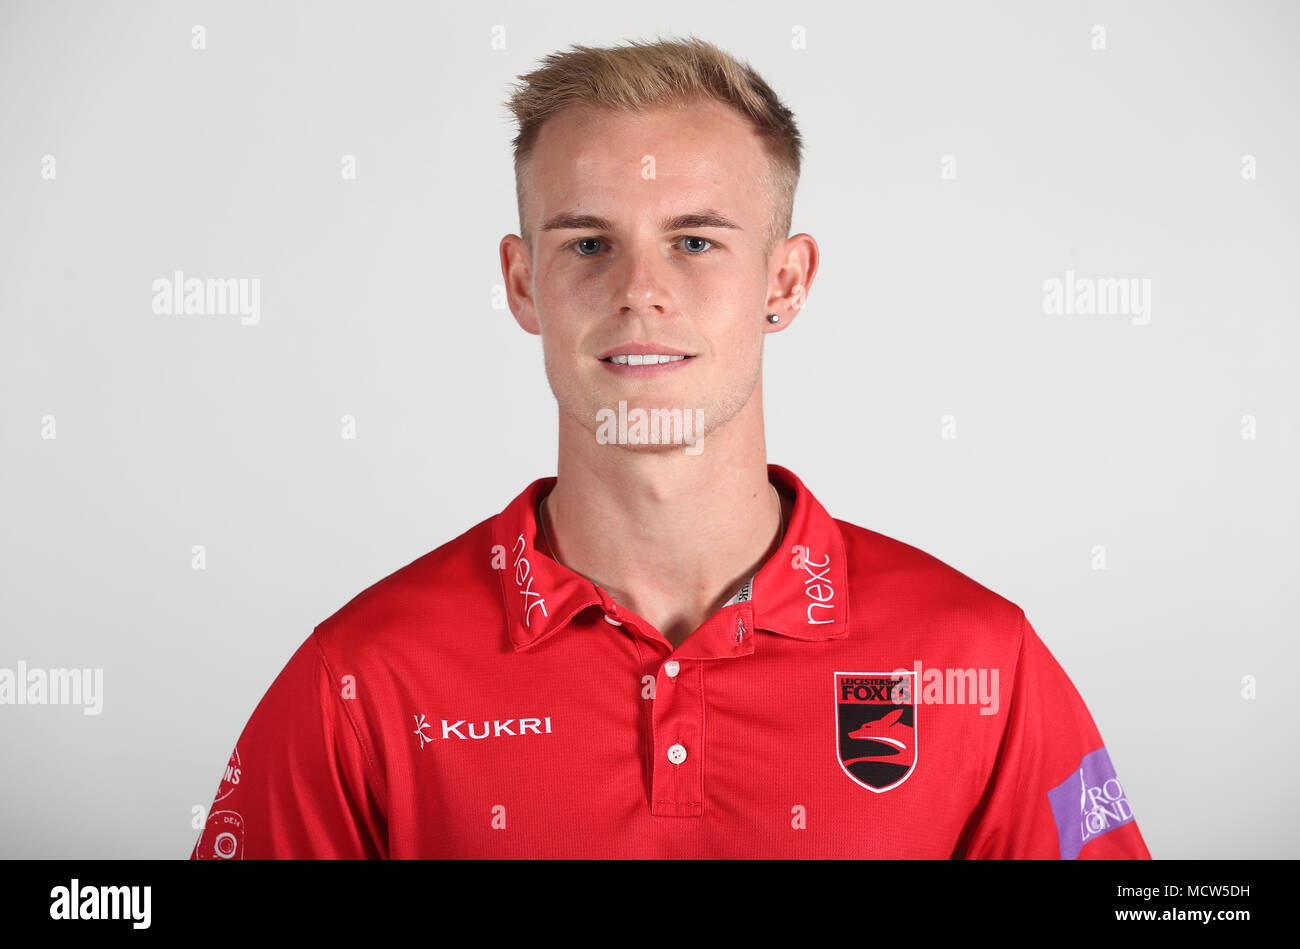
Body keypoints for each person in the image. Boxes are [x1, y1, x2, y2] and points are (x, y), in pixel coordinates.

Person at [191, 36, 1151, 859]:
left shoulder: (981, 663)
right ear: (522, 284)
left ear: (786, 280)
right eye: (588, 244)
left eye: (694, 242)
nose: (639, 291)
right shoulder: (360, 680)